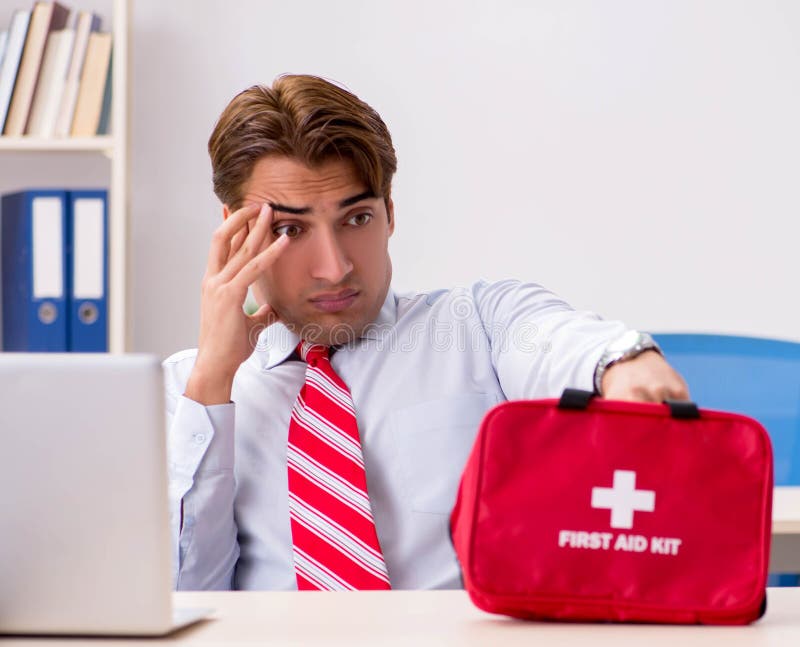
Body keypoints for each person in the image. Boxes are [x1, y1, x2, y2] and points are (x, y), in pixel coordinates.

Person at [164, 74, 689, 591]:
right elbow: (187, 596)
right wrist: (214, 378)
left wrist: (623, 363)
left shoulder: (478, 325)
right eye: (289, 229)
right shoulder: (185, 392)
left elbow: (554, 337)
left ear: (390, 212)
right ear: (235, 231)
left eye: (357, 218)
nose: (334, 267)